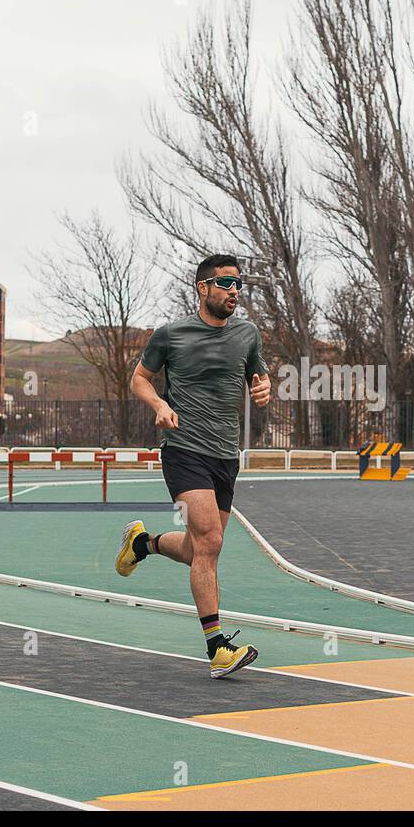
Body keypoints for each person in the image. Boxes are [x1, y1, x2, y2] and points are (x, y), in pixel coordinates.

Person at [115, 254, 271, 678]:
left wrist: (263, 388)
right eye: (225, 283)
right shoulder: (171, 334)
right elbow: (139, 379)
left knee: (200, 547)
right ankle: (217, 647)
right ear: (203, 288)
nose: (234, 291)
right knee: (210, 540)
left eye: (239, 284)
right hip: (184, 449)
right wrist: (160, 404)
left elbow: (258, 374)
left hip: (226, 454)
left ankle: (142, 544)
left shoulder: (247, 334)